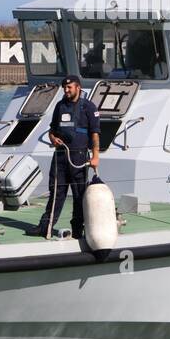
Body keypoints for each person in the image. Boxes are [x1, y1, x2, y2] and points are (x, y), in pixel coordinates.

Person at [30, 75, 100, 239]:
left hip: (79, 156)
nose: (66, 90)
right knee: (56, 192)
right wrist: (52, 138)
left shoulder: (89, 107)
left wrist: (96, 157)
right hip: (60, 155)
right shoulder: (60, 106)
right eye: (65, 88)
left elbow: (95, 135)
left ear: (78, 88)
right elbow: (52, 130)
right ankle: (45, 227)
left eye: (69, 87)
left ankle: (77, 229)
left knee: (79, 195)